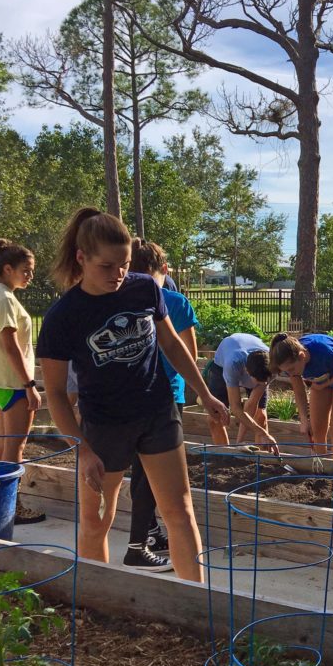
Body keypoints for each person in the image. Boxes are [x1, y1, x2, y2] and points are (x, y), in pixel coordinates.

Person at [36, 207, 229, 582]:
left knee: (180, 511)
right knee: (96, 520)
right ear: (82, 258)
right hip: (104, 426)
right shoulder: (64, 316)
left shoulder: (144, 288)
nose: (119, 274)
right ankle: (98, 600)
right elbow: (57, 394)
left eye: (124, 264)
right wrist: (83, 448)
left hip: (157, 411)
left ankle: (200, 603)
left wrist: (205, 394)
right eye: (107, 266)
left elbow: (172, 344)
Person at [122, 239, 202, 572]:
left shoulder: (118, 300)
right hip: (166, 396)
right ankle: (137, 546)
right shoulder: (175, 302)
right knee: (153, 478)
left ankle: (150, 531)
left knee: (138, 472)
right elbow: (190, 354)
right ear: (163, 270)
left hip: (127, 396)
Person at [0, 239, 46, 525]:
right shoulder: (5, 299)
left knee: (2, 445)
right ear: (8, 269)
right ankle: (11, 508)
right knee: (15, 448)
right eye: (26, 270)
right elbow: (11, 345)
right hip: (12, 383)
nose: (30, 276)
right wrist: (29, 384)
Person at [268, 332, 333, 458]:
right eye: (286, 371)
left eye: (290, 369)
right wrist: (304, 420)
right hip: (321, 377)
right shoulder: (293, 363)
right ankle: (320, 471)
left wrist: (325, 384)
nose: (290, 373)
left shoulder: (324, 351)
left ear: (301, 356)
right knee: (316, 430)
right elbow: (299, 392)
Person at [202, 333, 278, 449]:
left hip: (256, 362)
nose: (261, 385)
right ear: (247, 372)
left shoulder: (272, 367)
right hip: (222, 364)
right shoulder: (232, 364)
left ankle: (262, 459)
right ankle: (226, 456)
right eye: (257, 382)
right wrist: (262, 433)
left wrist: (239, 442)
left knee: (260, 416)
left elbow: (251, 404)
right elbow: (236, 408)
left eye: (264, 382)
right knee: (215, 418)